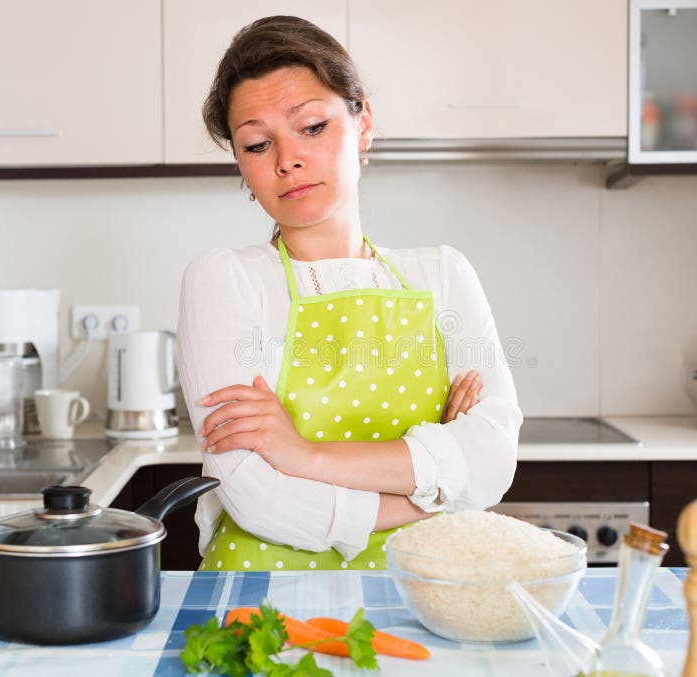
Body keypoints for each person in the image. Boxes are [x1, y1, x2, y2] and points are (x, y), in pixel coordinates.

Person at [176, 15, 522, 571]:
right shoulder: (224, 280)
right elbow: (256, 496)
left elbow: (492, 464)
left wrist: (304, 454)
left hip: (423, 598)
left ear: (363, 124)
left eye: (311, 127)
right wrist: (431, 492)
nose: (287, 159)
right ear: (243, 166)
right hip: (259, 609)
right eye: (258, 143)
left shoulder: (444, 274)